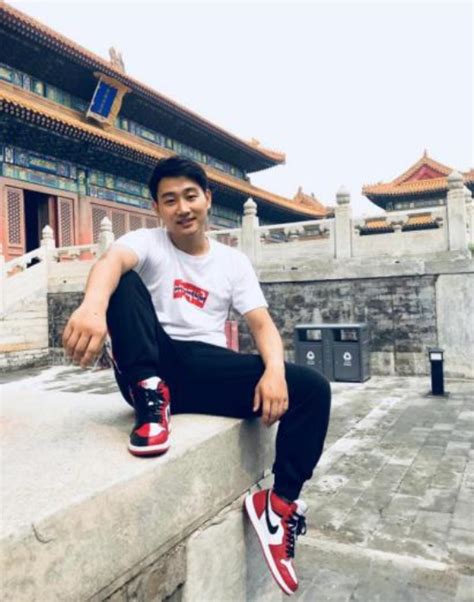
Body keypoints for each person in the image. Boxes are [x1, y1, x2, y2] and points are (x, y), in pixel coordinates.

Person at [62, 156, 331, 596]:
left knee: (313, 389)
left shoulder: (232, 262)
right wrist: (92, 307)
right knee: (122, 279)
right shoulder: (147, 243)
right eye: (170, 200)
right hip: (153, 363)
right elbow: (110, 262)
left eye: (190, 196)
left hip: (206, 368)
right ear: (157, 208)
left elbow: (262, 325)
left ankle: (278, 506)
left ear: (208, 198)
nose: (182, 208)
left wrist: (275, 372)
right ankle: (151, 402)